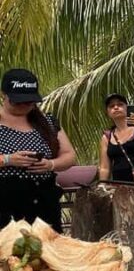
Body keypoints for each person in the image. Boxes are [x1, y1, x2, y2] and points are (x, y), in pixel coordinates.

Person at [0, 69, 77, 231]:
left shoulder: (46, 121)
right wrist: (7, 160)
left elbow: (69, 155)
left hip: (44, 203)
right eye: (17, 101)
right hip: (5, 204)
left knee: (47, 252)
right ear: (3, 95)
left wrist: (50, 164)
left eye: (28, 102)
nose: (23, 106)